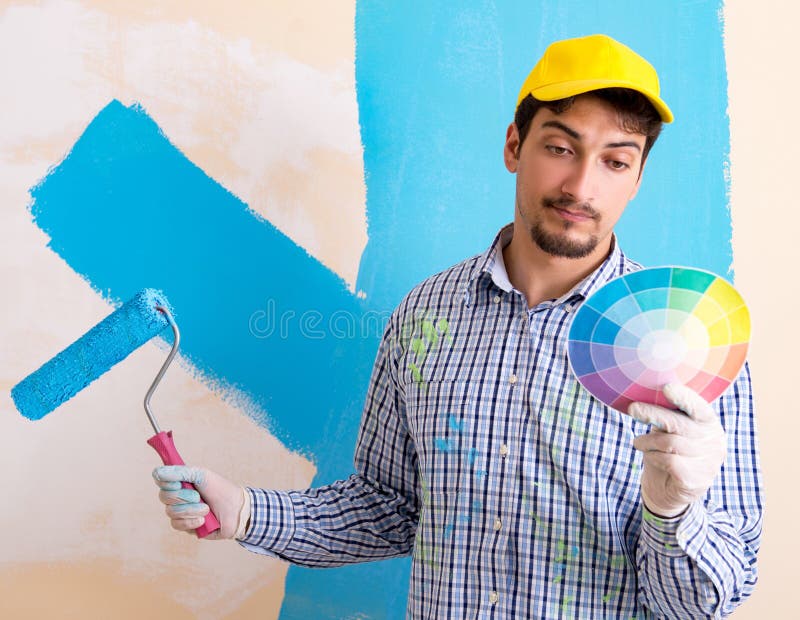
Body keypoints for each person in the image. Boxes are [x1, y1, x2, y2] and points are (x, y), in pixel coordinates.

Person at [153, 34, 763, 618]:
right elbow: (390, 507)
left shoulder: (686, 341)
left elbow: (707, 603)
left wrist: (672, 510)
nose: (581, 185)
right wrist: (245, 513)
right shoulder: (425, 316)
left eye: (615, 161)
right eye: (559, 147)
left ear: (637, 179)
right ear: (513, 146)